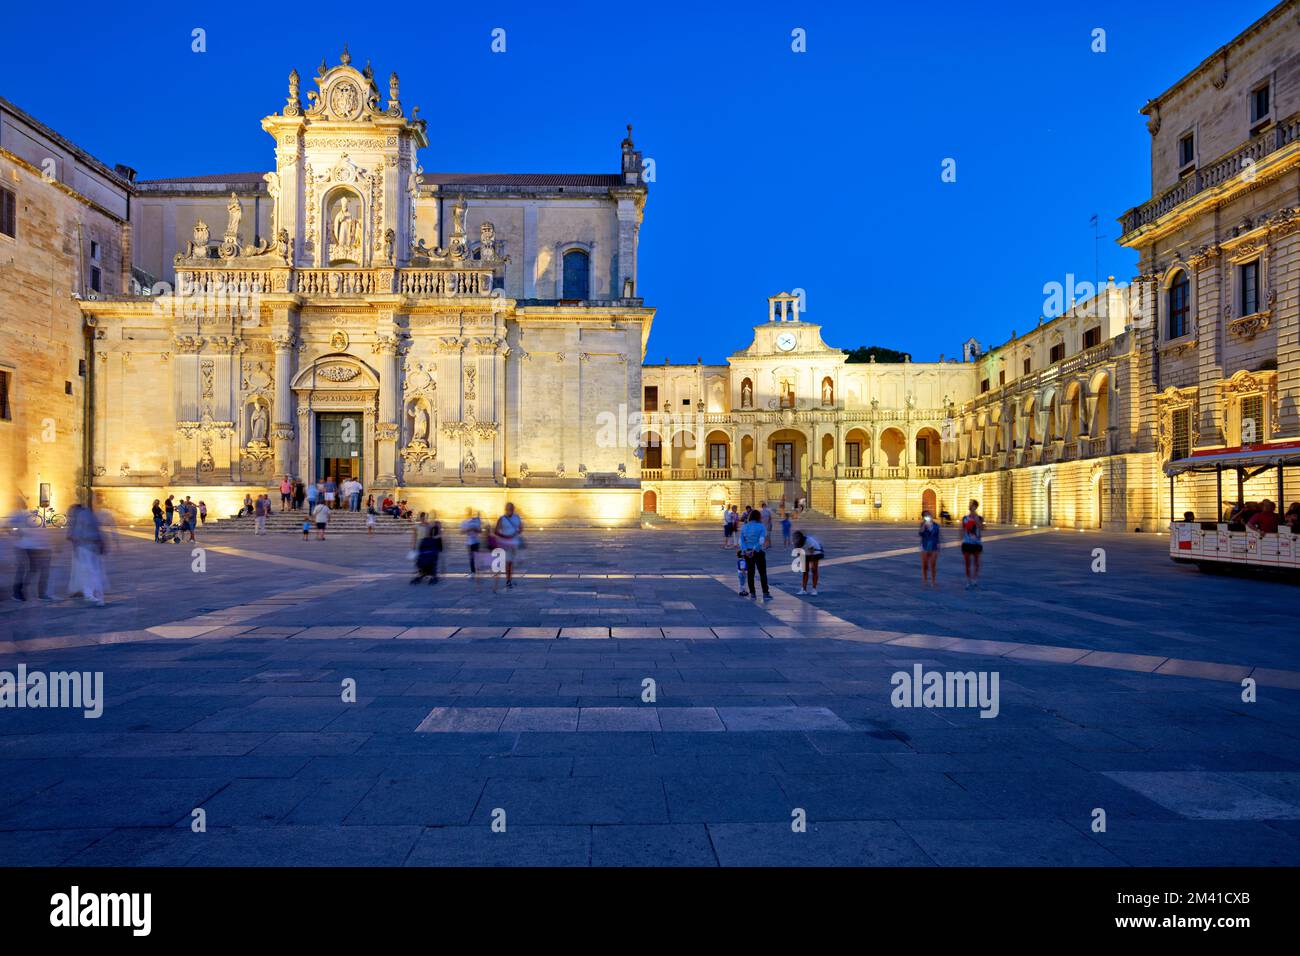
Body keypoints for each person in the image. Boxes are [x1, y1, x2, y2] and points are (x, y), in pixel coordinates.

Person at [10, 497, 52, 602]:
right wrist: (17, 533)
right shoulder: (17, 514)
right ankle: (18, 591)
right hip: (24, 546)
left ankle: (22, 590)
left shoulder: (27, 514)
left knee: (32, 568)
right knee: (25, 568)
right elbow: (10, 528)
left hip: (31, 546)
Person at [66, 504, 107, 606]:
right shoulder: (87, 515)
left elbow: (72, 534)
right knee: (92, 572)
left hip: (85, 548)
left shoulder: (80, 516)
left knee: (88, 571)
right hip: (88, 548)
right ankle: (91, 594)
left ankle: (89, 593)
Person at [738, 507, 771, 600]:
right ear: (759, 517)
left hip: (747, 552)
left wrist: (745, 550)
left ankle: (752, 593)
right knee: (762, 573)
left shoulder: (744, 526)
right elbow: (761, 541)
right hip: (758, 552)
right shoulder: (761, 527)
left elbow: (741, 541)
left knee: (750, 573)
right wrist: (754, 550)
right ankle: (765, 593)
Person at [494, 502, 524, 590]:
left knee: (511, 562)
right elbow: (496, 531)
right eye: (508, 508)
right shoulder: (502, 519)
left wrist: (516, 533)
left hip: (514, 543)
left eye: (511, 508)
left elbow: (521, 528)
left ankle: (510, 578)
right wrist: (505, 537)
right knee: (508, 561)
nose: (510, 510)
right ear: (506, 509)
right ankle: (508, 580)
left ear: (513, 509)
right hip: (506, 543)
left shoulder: (517, 517)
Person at [792, 528, 824, 595]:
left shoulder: (808, 541)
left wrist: (811, 564)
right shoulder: (796, 542)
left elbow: (811, 552)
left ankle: (814, 589)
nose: (795, 540)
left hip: (815, 552)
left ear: (800, 538)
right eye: (794, 538)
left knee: (814, 570)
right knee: (805, 571)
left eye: (796, 538)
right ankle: (803, 589)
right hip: (806, 553)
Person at [961, 499, 984, 589]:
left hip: (976, 543)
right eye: (969, 504)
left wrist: (976, 519)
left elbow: (982, 528)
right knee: (967, 563)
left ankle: (974, 579)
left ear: (975, 507)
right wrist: (961, 540)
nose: (969, 506)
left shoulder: (979, 518)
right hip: (966, 542)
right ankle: (968, 580)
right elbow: (962, 529)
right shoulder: (965, 518)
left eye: (971, 504)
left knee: (976, 562)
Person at [918, 509, 941, 588]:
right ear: (924, 517)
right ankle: (925, 580)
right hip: (924, 546)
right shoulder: (922, 525)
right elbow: (920, 533)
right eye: (926, 515)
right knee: (925, 565)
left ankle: (933, 581)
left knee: (933, 564)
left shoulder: (936, 525)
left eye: (929, 514)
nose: (928, 516)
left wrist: (938, 546)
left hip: (934, 546)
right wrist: (924, 525)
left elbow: (937, 536)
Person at [462, 509, 483, 582]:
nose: (468, 513)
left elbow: (480, 531)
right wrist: (468, 529)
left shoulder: (476, 521)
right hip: (469, 542)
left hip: (476, 541)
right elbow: (461, 532)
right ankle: (473, 572)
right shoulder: (465, 522)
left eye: (469, 512)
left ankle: (478, 572)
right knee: (471, 558)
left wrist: (475, 529)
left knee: (476, 558)